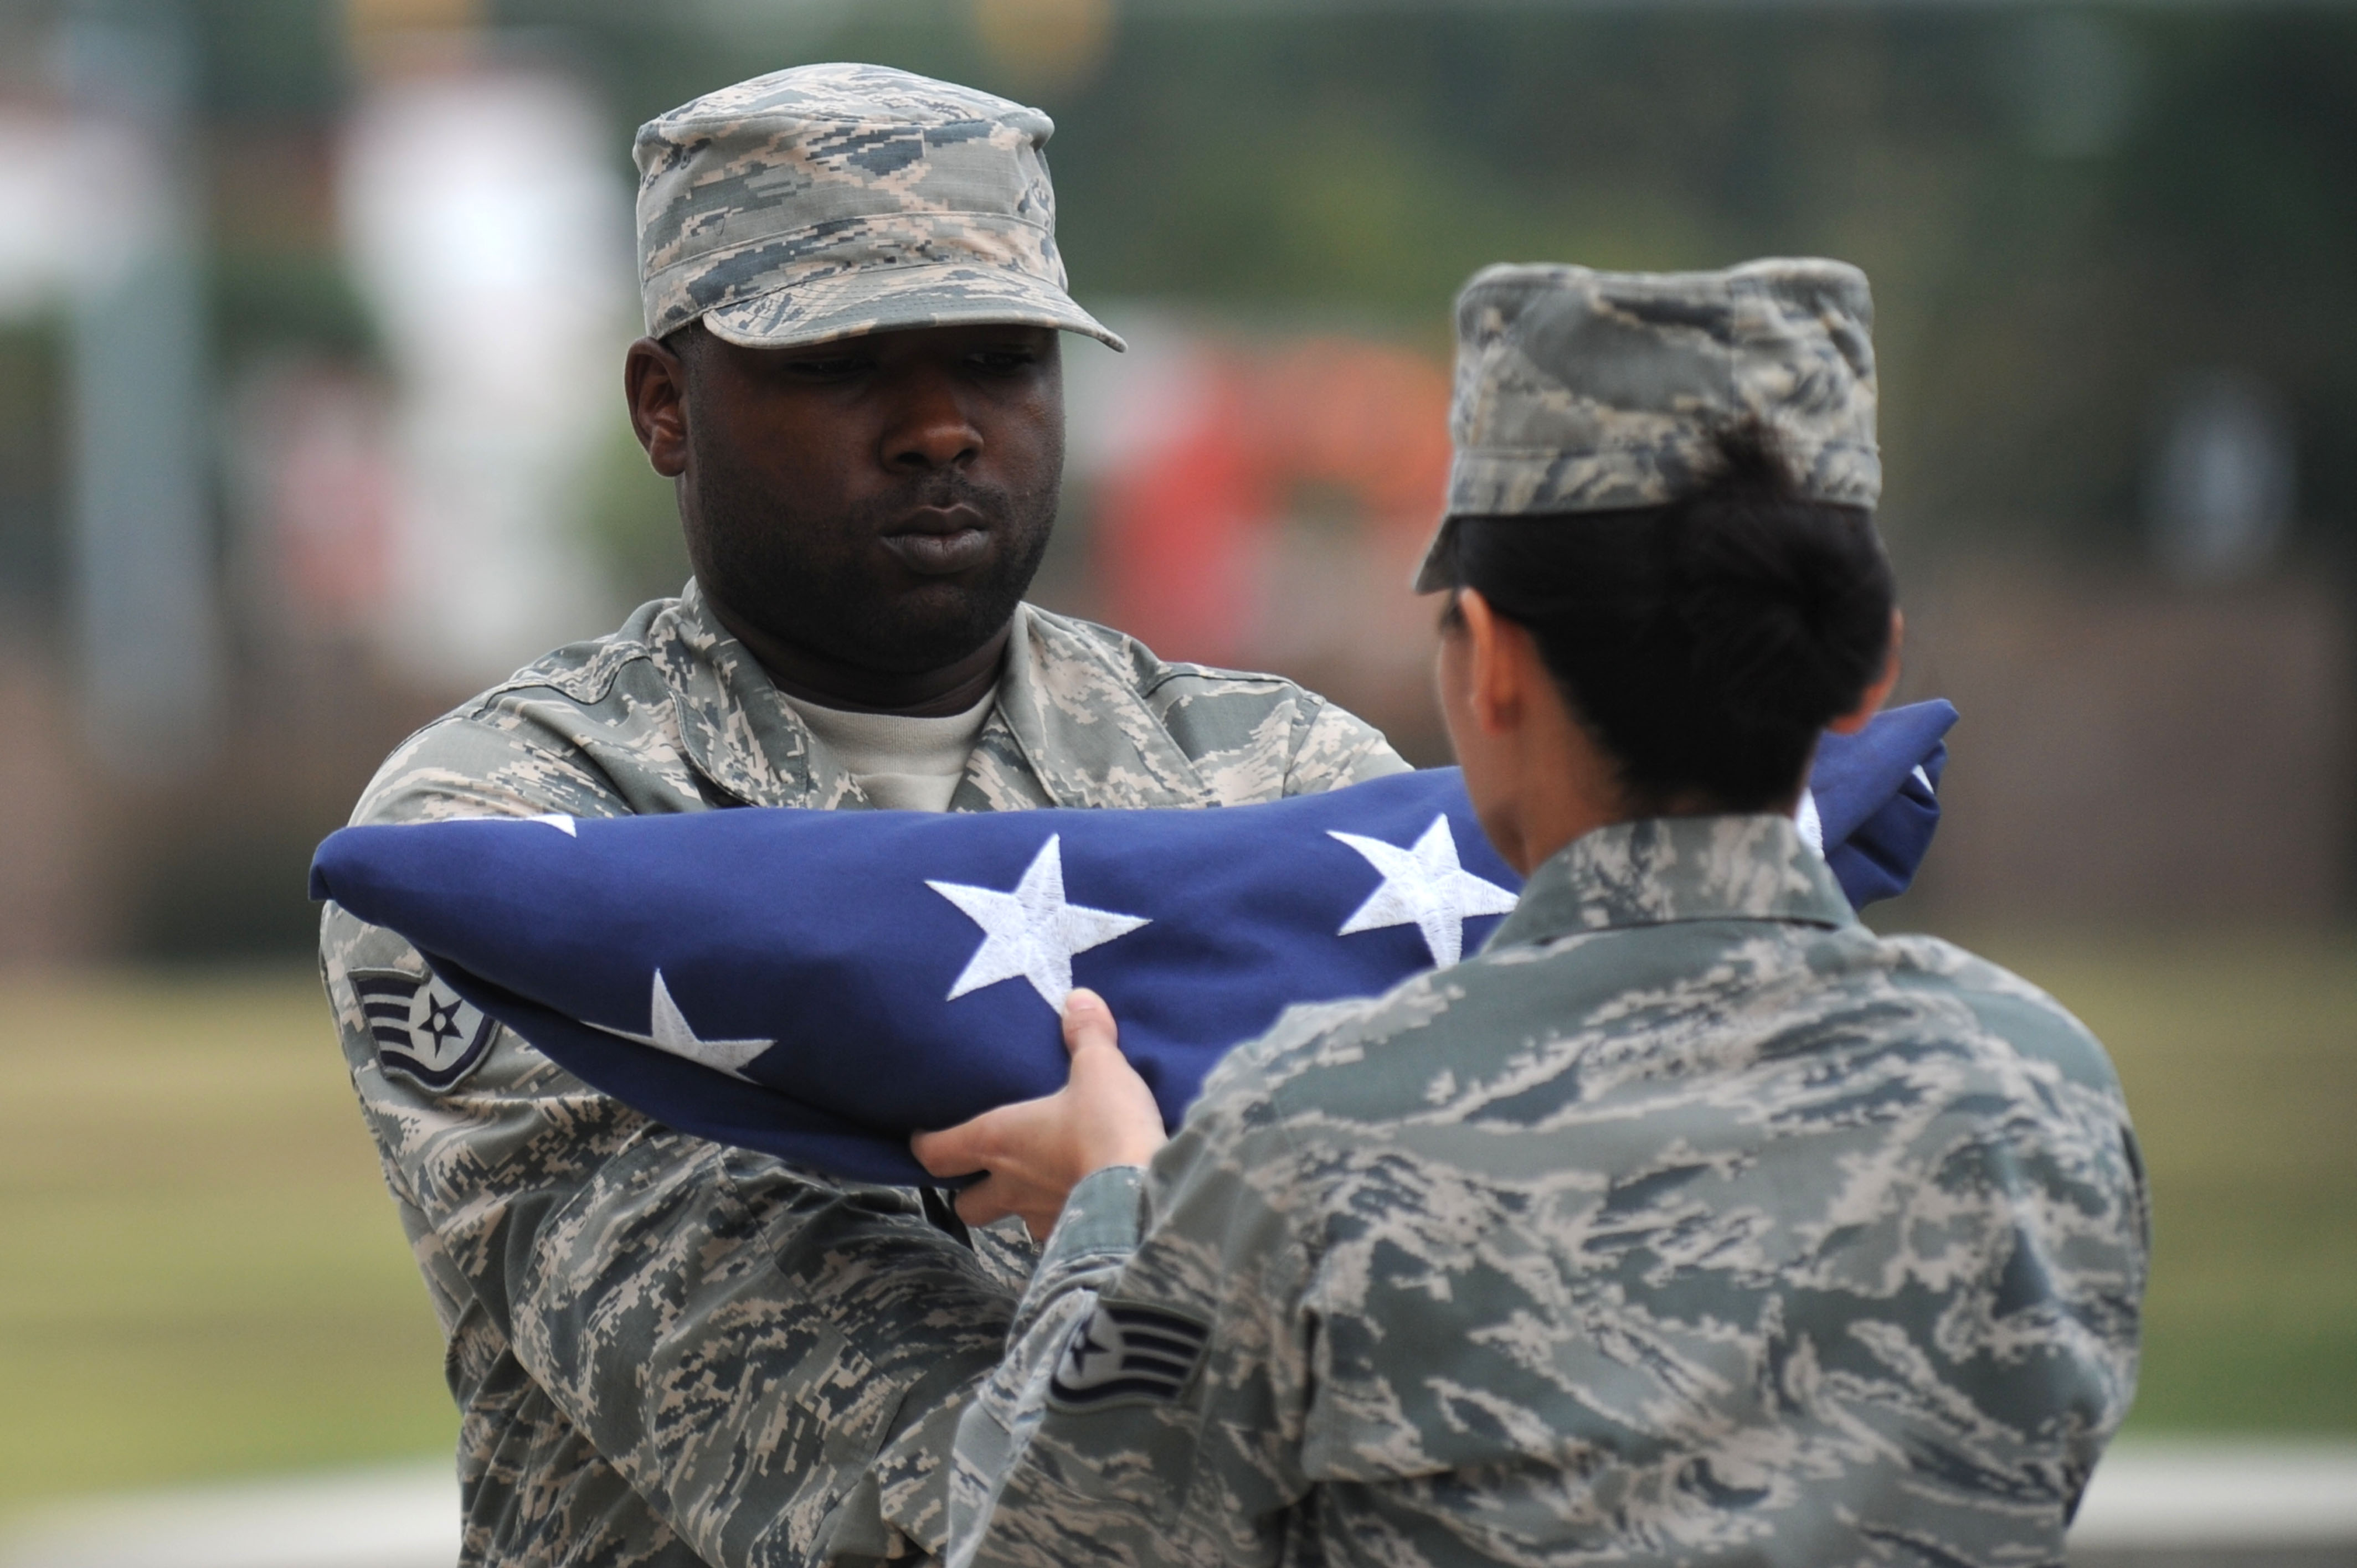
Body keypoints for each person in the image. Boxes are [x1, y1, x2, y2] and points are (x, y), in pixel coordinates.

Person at [317, 64, 1404, 1568]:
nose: (943, 428)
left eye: (1002, 357)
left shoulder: (1286, 780)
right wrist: (1142, 1225)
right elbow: (884, 1491)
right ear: (664, 408)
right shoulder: (517, 842)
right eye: (845, 362)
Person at [915, 259, 2150, 1568]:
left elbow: (1049, 1547)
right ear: (1871, 671)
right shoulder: (2039, 1093)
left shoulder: (1306, 1136)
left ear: (1490, 661)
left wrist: (1119, 1212)